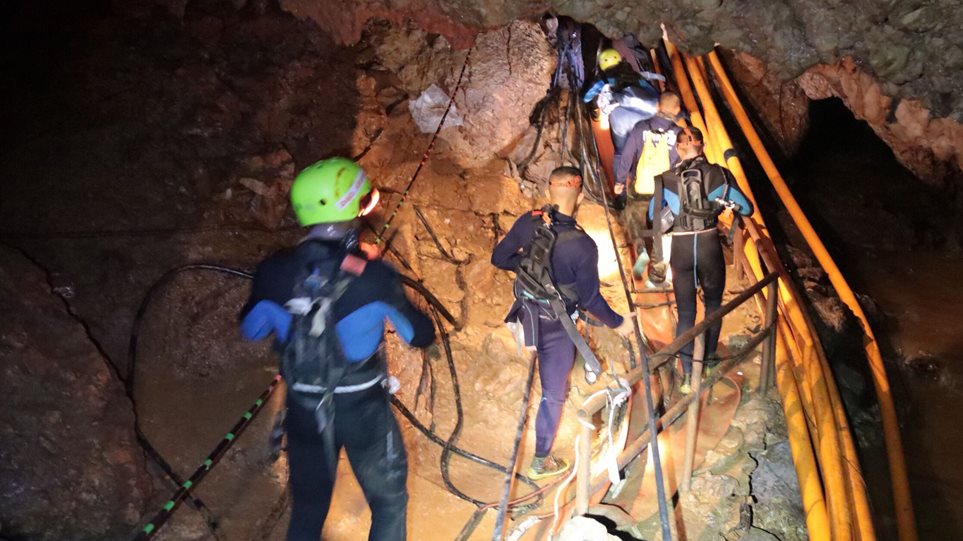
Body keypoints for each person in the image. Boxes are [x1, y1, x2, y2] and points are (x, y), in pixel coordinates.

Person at [239, 157, 435, 541]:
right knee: (389, 502)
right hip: (363, 409)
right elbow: (419, 335)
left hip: (305, 407)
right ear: (352, 208)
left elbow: (251, 330)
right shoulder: (374, 276)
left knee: (308, 511)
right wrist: (382, 280)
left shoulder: (273, 271)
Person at [491, 166, 635, 479]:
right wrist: (619, 323)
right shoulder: (583, 245)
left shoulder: (528, 221)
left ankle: (542, 453)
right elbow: (590, 300)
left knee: (547, 374)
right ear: (580, 196)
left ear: (548, 193)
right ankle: (541, 460)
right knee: (552, 394)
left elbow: (499, 258)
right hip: (557, 328)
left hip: (525, 315)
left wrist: (529, 270)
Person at [647, 128, 753, 393]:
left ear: (678, 148)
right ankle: (706, 364)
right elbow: (747, 207)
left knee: (686, 313)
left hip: (681, 250)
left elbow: (653, 216)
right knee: (713, 306)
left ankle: (686, 377)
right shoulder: (719, 174)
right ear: (703, 145)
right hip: (708, 246)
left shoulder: (664, 179)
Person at [583, 48, 664, 190]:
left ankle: (621, 185)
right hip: (645, 118)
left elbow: (586, 97)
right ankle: (652, 182)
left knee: (621, 152)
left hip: (622, 122)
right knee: (648, 147)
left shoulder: (603, 80)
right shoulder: (635, 76)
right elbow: (653, 94)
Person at [615, 91, 684, 197]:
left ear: (657, 106)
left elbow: (627, 155)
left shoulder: (640, 127)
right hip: (665, 191)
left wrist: (620, 180)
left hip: (640, 186)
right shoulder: (680, 134)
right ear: (677, 110)